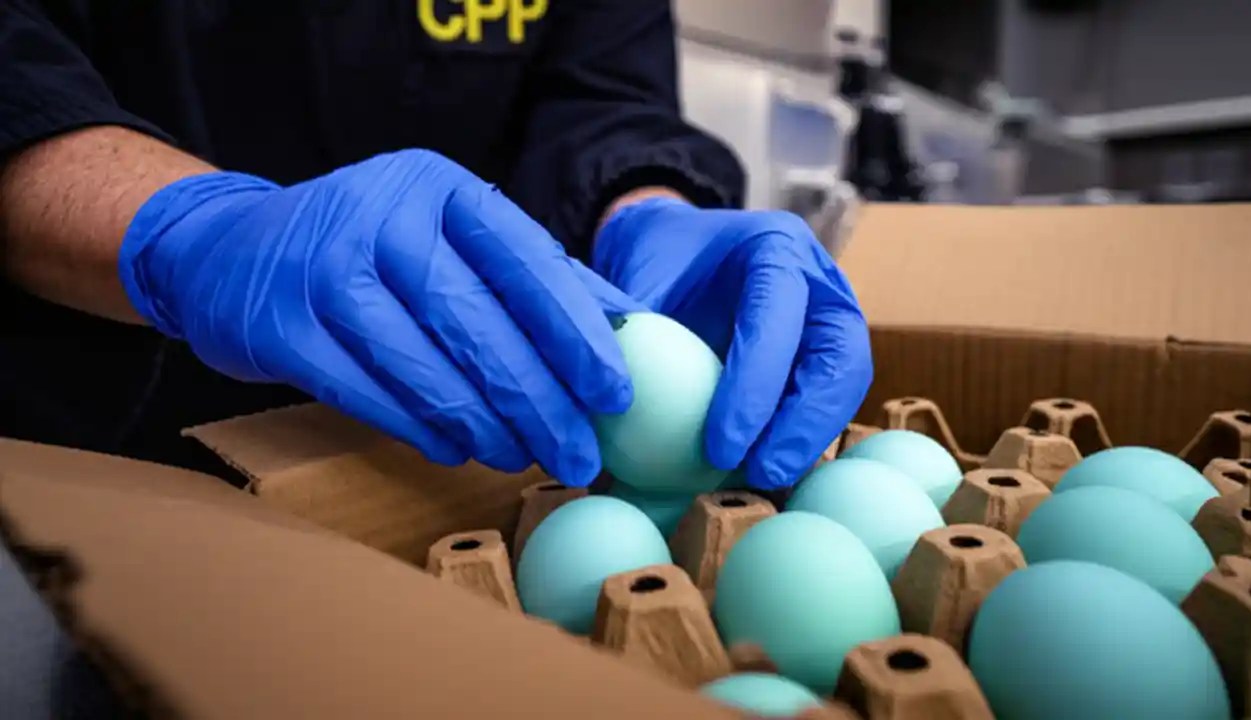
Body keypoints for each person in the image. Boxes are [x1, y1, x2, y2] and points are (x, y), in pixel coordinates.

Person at [0, 0, 872, 491]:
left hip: (461, 457)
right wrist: (184, 231)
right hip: (104, 466)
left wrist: (648, 204)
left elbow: (600, 91)